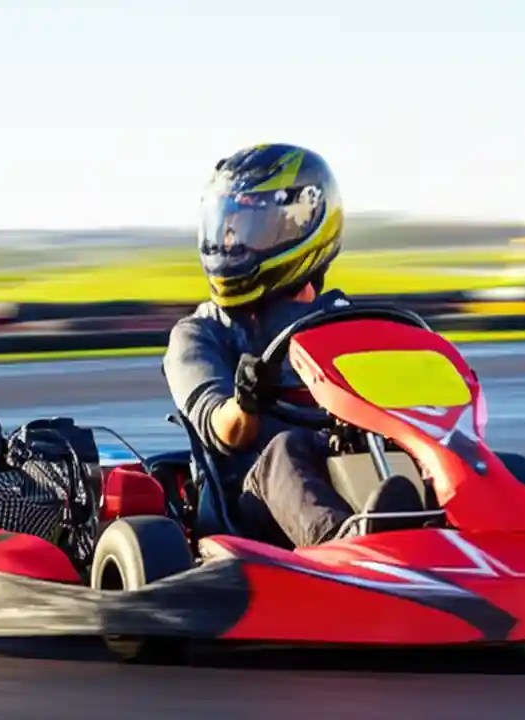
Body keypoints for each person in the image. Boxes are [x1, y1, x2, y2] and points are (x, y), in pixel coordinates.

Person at [162, 143, 425, 548]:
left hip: (352, 471)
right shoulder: (198, 334)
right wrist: (246, 401)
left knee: (425, 445)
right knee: (287, 449)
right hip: (248, 509)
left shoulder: (346, 320)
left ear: (299, 227)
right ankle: (349, 545)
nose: (230, 242)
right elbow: (223, 430)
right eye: (225, 227)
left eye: (249, 227)